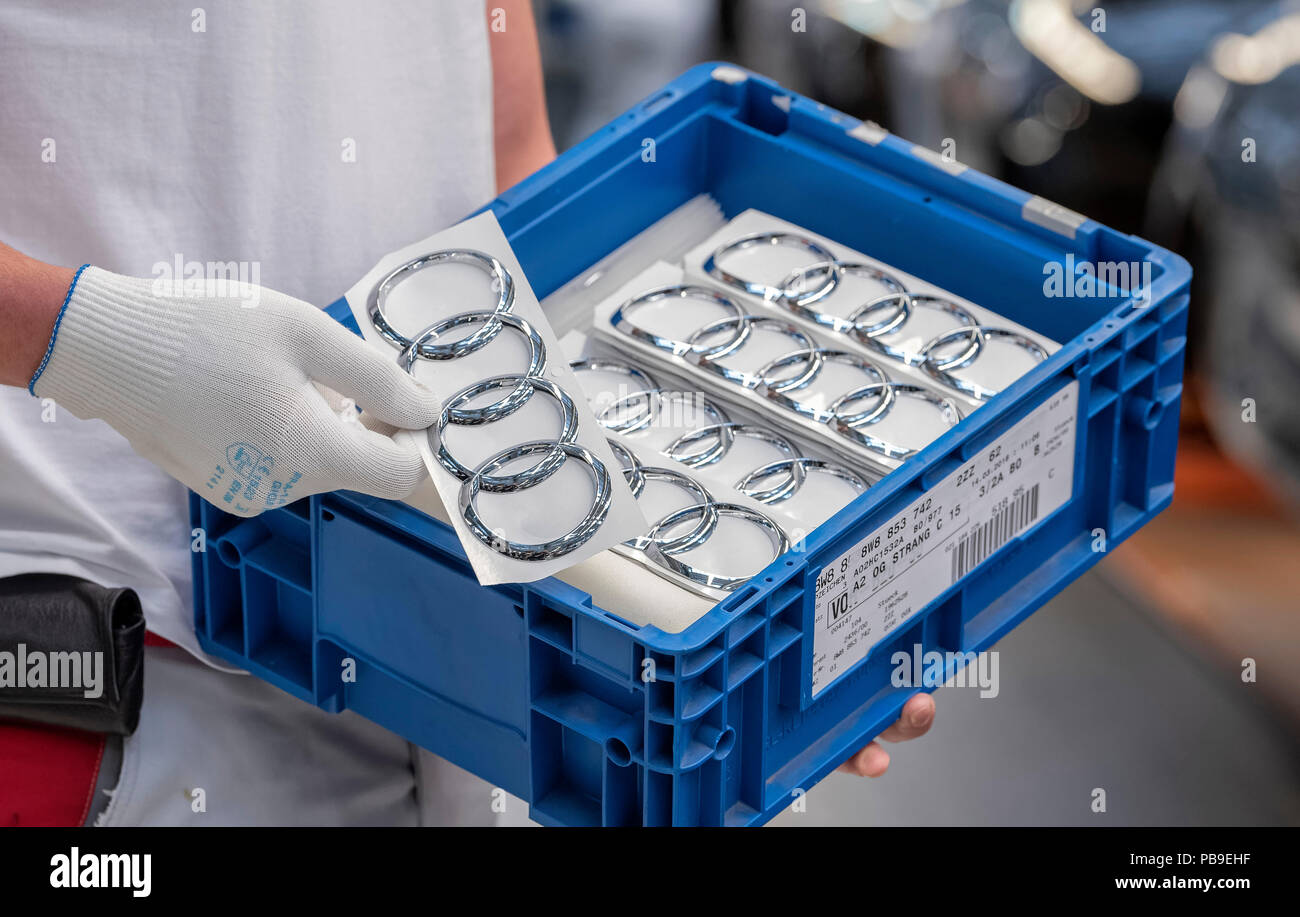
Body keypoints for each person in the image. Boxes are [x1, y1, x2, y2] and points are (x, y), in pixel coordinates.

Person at [0, 0, 934, 826]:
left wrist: (703, 639)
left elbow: (505, 140)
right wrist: (92, 342)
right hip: (129, 674)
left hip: (456, 668)